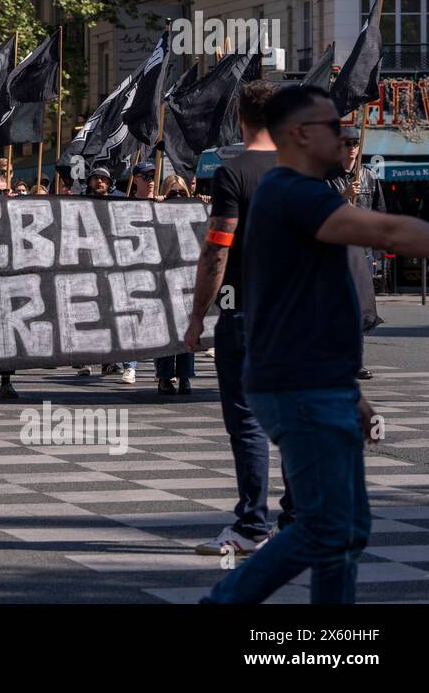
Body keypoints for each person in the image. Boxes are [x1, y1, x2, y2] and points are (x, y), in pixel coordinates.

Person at [202, 84, 429, 604]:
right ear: (301, 134)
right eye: (334, 126)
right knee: (326, 526)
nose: (347, 135)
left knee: (345, 531)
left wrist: (352, 393)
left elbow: (317, 305)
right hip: (299, 387)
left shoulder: (307, 192)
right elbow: (390, 233)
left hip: (319, 382)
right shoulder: (291, 192)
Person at [183, 80, 292, 556]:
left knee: (247, 422)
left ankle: (251, 524)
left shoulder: (233, 174)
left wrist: (196, 315)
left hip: (245, 314)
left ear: (238, 116)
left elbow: (217, 252)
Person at [326, 125, 386, 381]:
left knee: (359, 308)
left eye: (355, 144)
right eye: (346, 144)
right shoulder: (325, 177)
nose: (351, 148)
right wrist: (341, 195)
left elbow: (379, 213)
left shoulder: (369, 177)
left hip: (361, 252)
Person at [78, 167, 135, 382]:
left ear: (109, 182)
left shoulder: (120, 198)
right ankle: (86, 360)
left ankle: (109, 360)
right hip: (88, 264)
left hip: (113, 264)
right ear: (90, 182)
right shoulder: (80, 201)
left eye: (104, 179)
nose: (100, 182)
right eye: (96, 179)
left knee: (111, 314)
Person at [153, 174, 195, 395]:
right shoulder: (156, 211)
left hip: (188, 281)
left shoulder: (194, 210)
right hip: (162, 282)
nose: (178, 197)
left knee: (188, 331)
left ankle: (185, 377)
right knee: (165, 332)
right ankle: (164, 377)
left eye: (182, 193)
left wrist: (203, 203)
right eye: (173, 193)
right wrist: (154, 206)